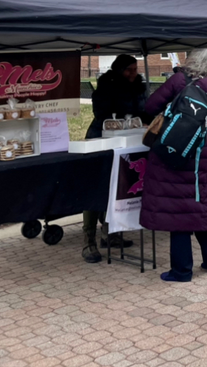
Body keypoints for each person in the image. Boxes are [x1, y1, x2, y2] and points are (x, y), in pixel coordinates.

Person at [140, 49, 207, 281]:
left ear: (192, 61)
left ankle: (181, 270)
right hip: (201, 151)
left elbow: (150, 107)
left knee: (177, 210)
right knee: (201, 206)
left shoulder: (179, 80)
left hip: (174, 149)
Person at [82, 54, 147, 263]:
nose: (133, 74)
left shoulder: (138, 86)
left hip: (127, 143)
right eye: (129, 70)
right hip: (100, 140)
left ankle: (110, 234)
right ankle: (88, 241)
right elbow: (101, 113)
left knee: (117, 187)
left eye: (135, 69)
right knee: (95, 188)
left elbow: (143, 111)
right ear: (119, 70)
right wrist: (120, 117)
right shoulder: (105, 87)